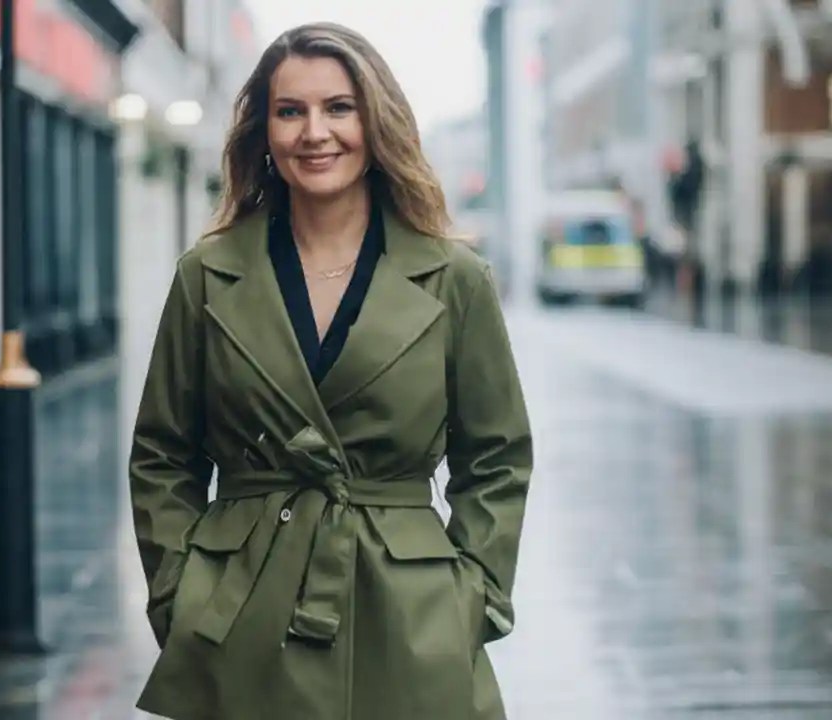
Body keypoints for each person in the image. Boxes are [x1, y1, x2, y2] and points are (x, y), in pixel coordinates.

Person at [128, 21, 532, 720]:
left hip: (411, 616)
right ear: (264, 132)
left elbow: (496, 457)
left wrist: (473, 597)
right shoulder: (208, 275)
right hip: (245, 605)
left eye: (338, 107)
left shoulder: (453, 278)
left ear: (376, 122)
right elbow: (162, 454)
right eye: (291, 111)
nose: (315, 132)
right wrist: (179, 591)